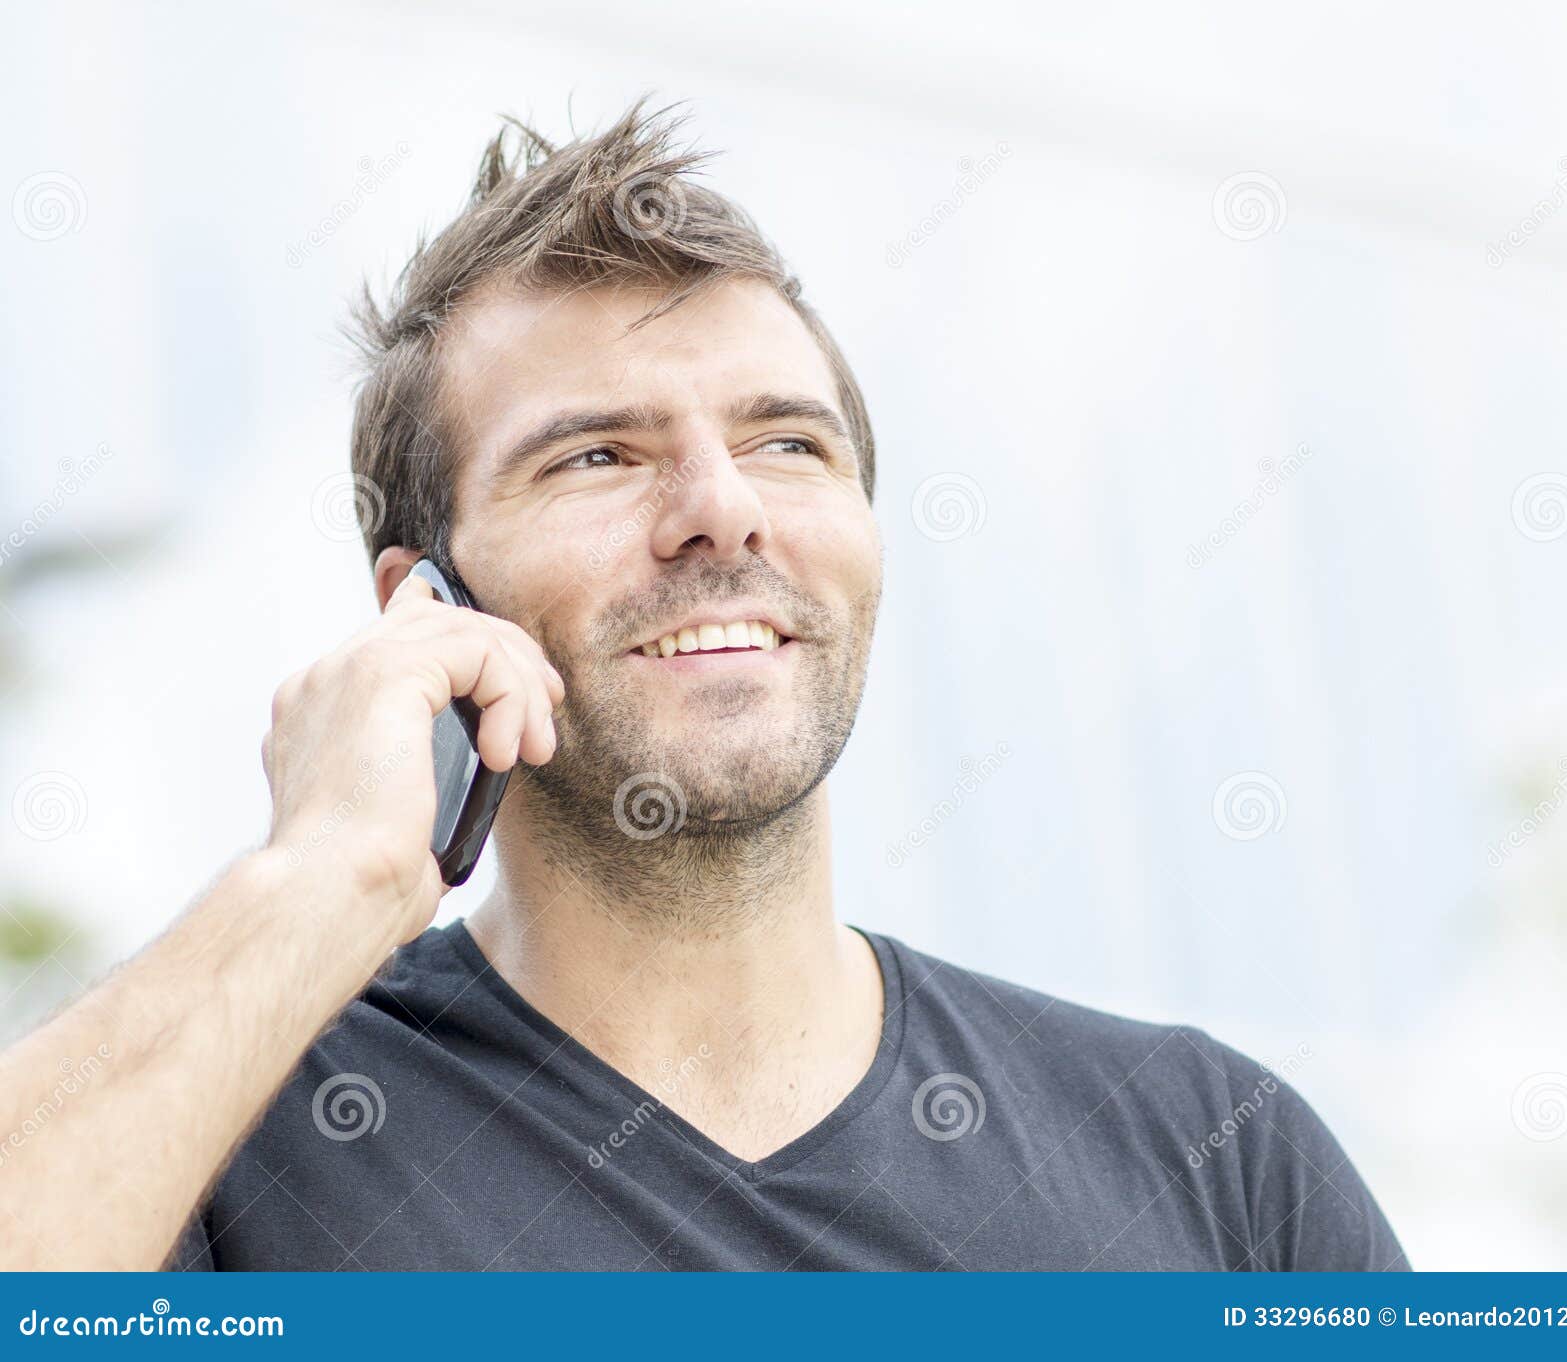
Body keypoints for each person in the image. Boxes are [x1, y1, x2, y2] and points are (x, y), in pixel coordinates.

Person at [0, 102, 1407, 1272]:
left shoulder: (1220, 1162)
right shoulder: (224, 1147)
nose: (722, 511)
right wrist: (327, 871)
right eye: (598, 456)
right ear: (426, 608)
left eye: (789, 445)